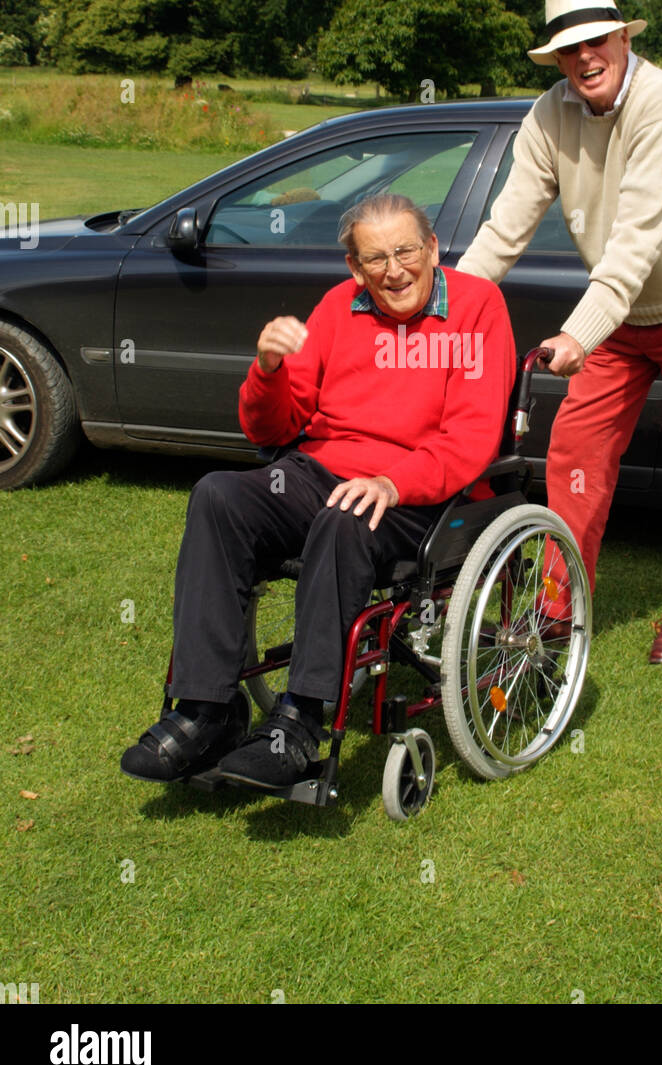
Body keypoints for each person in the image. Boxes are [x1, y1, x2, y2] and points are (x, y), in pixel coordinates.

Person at [121, 193, 516, 789]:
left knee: (344, 517)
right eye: (375, 258)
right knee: (217, 495)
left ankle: (301, 720)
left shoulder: (478, 306)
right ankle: (206, 710)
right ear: (355, 268)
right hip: (320, 470)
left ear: (433, 248)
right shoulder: (339, 307)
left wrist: (393, 480)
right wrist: (268, 370)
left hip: (421, 493)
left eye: (406, 250)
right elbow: (270, 429)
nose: (394, 270)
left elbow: (472, 438)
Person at [457, 0, 662, 663]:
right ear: (556, 59)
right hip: (618, 314)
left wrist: (577, 334)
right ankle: (556, 611)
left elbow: (635, 244)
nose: (585, 57)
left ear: (623, 37)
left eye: (597, 40)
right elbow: (505, 227)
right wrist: (447, 306)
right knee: (575, 453)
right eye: (569, 48)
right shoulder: (550, 114)